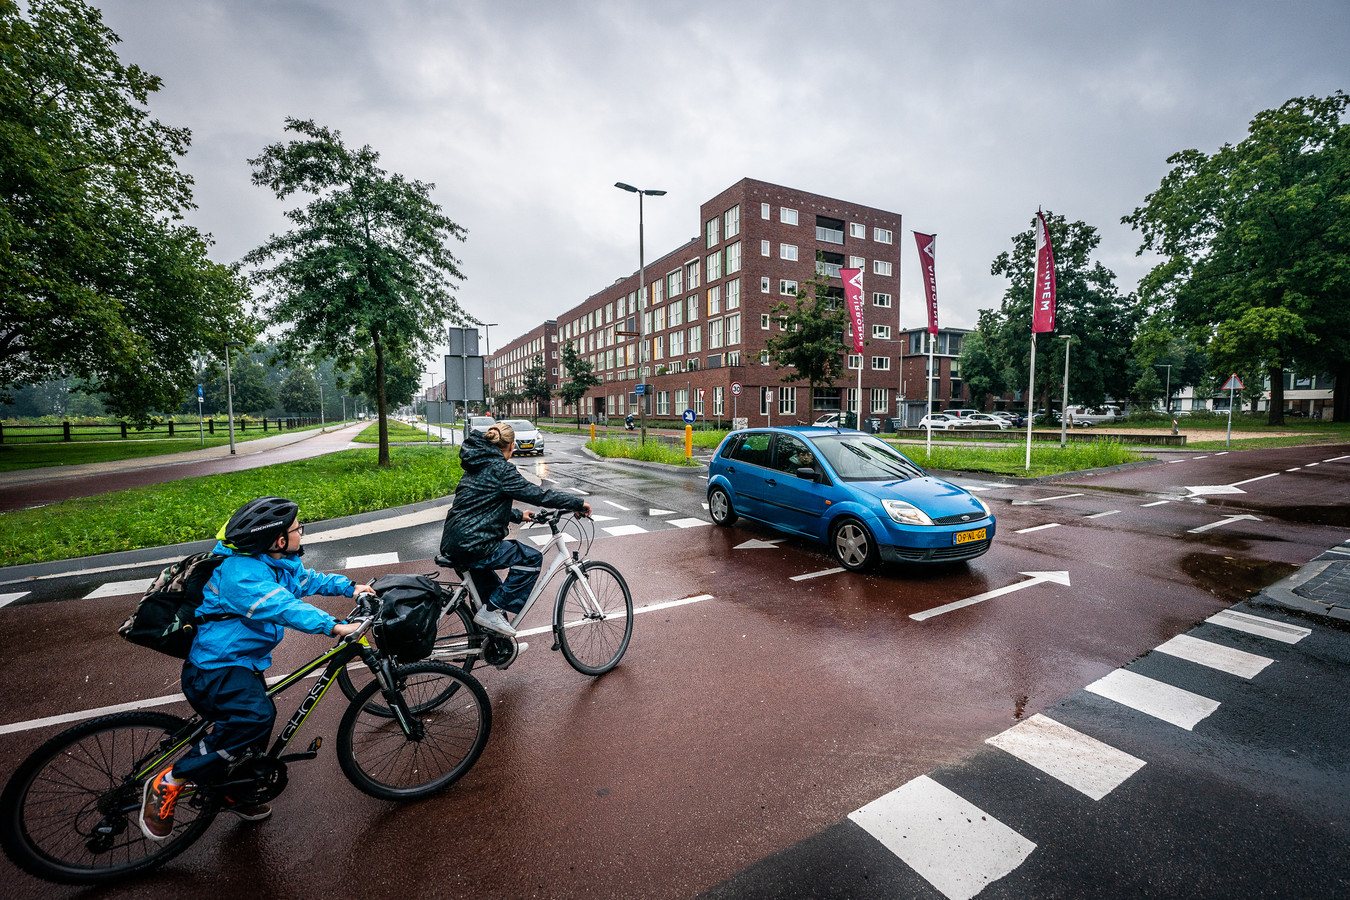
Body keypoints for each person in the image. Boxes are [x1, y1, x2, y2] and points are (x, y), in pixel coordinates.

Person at [139, 497, 370, 841]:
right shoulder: (241, 575)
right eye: (296, 529)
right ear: (278, 539)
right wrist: (333, 626)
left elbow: (306, 581)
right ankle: (169, 780)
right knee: (254, 718)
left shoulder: (272, 560)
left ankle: (234, 791)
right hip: (215, 668)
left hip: (239, 662)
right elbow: (283, 606)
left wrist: (349, 587)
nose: (301, 532)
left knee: (254, 729)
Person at [440, 423, 590, 637]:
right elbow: (539, 495)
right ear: (511, 446)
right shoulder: (501, 469)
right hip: (474, 545)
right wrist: (576, 503)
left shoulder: (476, 464)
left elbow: (481, 504)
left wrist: (518, 515)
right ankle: (489, 614)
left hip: (455, 542)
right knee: (530, 558)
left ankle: (492, 641)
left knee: (491, 598)